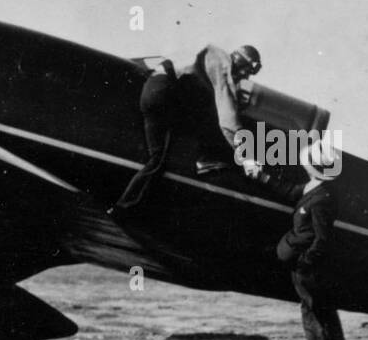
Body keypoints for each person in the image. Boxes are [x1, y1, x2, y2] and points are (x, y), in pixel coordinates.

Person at [111, 44, 262, 214]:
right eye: (246, 71)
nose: (244, 76)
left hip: (152, 90)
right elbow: (227, 118)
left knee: (156, 159)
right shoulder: (223, 62)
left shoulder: (206, 54)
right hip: (164, 94)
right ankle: (206, 158)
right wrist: (247, 157)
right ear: (240, 62)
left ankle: (121, 207)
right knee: (213, 116)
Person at [255, 139, 346, 340]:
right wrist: (262, 177)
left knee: (315, 318)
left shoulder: (321, 199)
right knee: (321, 314)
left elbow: (323, 239)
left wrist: (304, 262)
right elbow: (290, 192)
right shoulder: (315, 188)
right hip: (311, 268)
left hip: (310, 269)